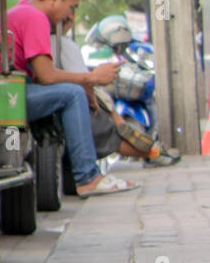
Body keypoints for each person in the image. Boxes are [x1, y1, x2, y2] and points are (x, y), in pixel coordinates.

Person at [0, 0, 137, 195]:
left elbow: (40, 76)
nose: (70, 15)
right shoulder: (36, 18)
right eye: (72, 7)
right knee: (73, 95)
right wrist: (91, 78)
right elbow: (47, 75)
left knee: (72, 91)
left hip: (6, 93)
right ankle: (87, 176)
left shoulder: (21, 12)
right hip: (10, 98)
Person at [54, 17, 179, 168]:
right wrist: (94, 85)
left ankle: (151, 151)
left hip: (84, 93)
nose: (73, 18)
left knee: (119, 122)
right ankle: (151, 153)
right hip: (79, 97)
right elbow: (60, 77)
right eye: (72, 9)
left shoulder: (65, 44)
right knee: (111, 130)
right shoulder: (66, 45)